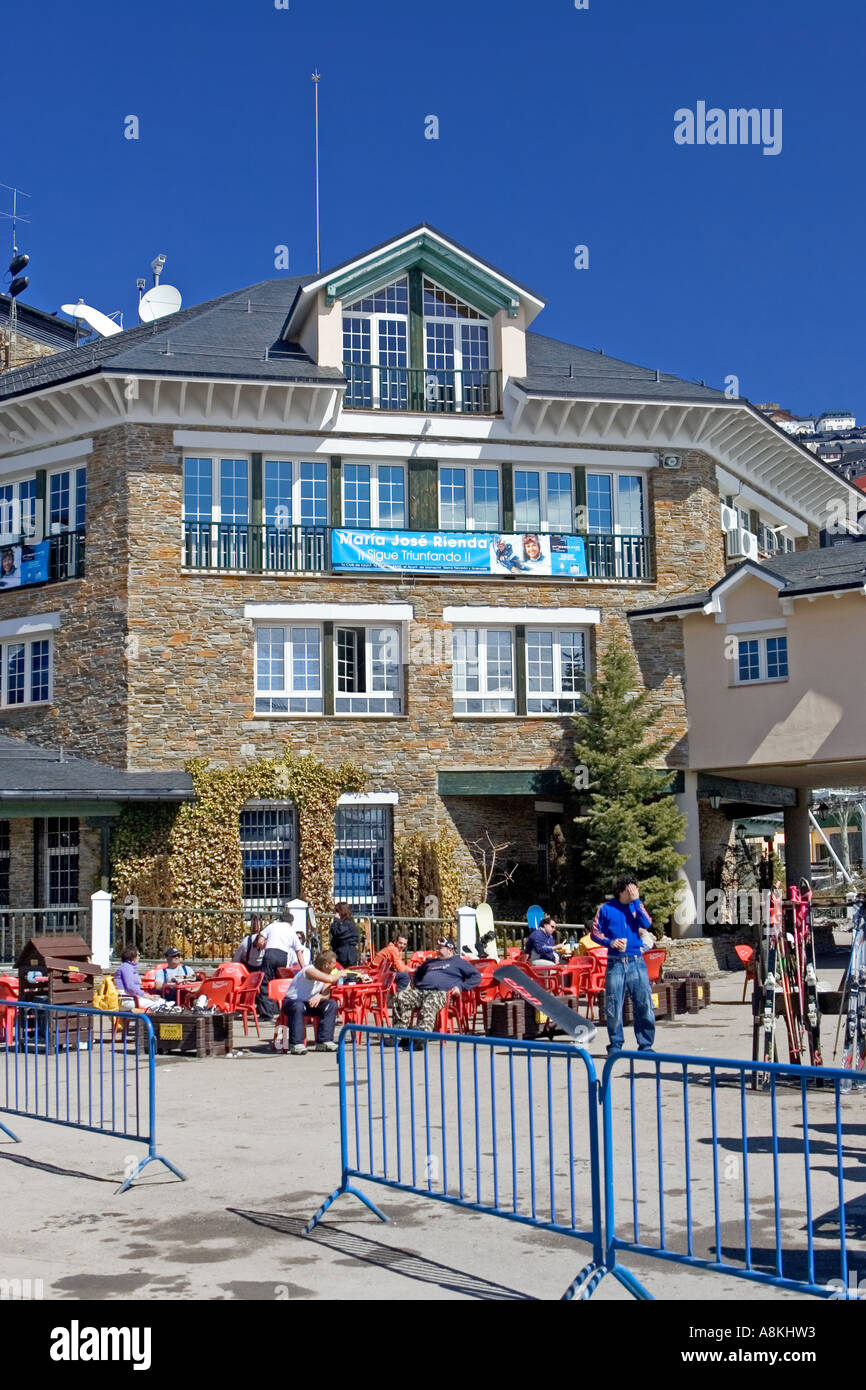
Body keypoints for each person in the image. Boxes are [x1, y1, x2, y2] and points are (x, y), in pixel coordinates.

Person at [593, 875, 656, 1054]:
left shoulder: (636, 907)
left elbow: (646, 923)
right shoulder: (605, 909)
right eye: (631, 888)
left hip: (636, 961)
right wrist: (610, 942)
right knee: (613, 1005)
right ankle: (615, 1045)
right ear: (622, 890)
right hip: (615, 963)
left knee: (644, 1003)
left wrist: (637, 901)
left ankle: (646, 1045)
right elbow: (595, 933)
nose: (635, 891)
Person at [391, 938, 481, 1038]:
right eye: (437, 948)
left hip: (442, 993)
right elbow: (417, 974)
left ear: (450, 950)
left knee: (430, 1002)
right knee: (399, 997)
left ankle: (422, 1035)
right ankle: (400, 1034)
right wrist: (418, 984)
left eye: (440, 948)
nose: (437, 951)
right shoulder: (430, 962)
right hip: (422, 992)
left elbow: (476, 977)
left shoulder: (459, 962)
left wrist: (460, 987)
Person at [278, 951, 340, 1055]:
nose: (335, 966)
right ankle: (296, 1043)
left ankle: (324, 1041)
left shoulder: (325, 974)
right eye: (333, 964)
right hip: (292, 1002)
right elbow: (330, 979)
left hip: (309, 1003)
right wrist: (341, 973)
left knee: (331, 1004)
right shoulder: (310, 970)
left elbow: (326, 994)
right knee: (298, 1006)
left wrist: (320, 996)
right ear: (326, 965)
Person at [258, 905, 306, 1019]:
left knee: (265, 983)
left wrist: (264, 947)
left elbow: (260, 941)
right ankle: (277, 1009)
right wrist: (304, 967)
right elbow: (299, 951)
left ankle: (266, 1013)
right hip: (282, 956)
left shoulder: (272, 926)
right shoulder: (291, 931)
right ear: (291, 922)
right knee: (278, 982)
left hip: (270, 954)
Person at [114, 947, 163, 1011]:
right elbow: (131, 987)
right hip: (127, 1000)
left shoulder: (129, 967)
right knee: (159, 1003)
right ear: (132, 956)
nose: (139, 957)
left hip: (132, 998)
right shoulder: (126, 968)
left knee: (160, 1001)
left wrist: (146, 995)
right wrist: (147, 996)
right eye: (138, 955)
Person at [329, 901, 360, 967]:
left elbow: (336, 932)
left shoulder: (346, 924)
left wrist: (336, 921)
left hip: (345, 955)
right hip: (349, 953)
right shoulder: (350, 922)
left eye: (337, 911)